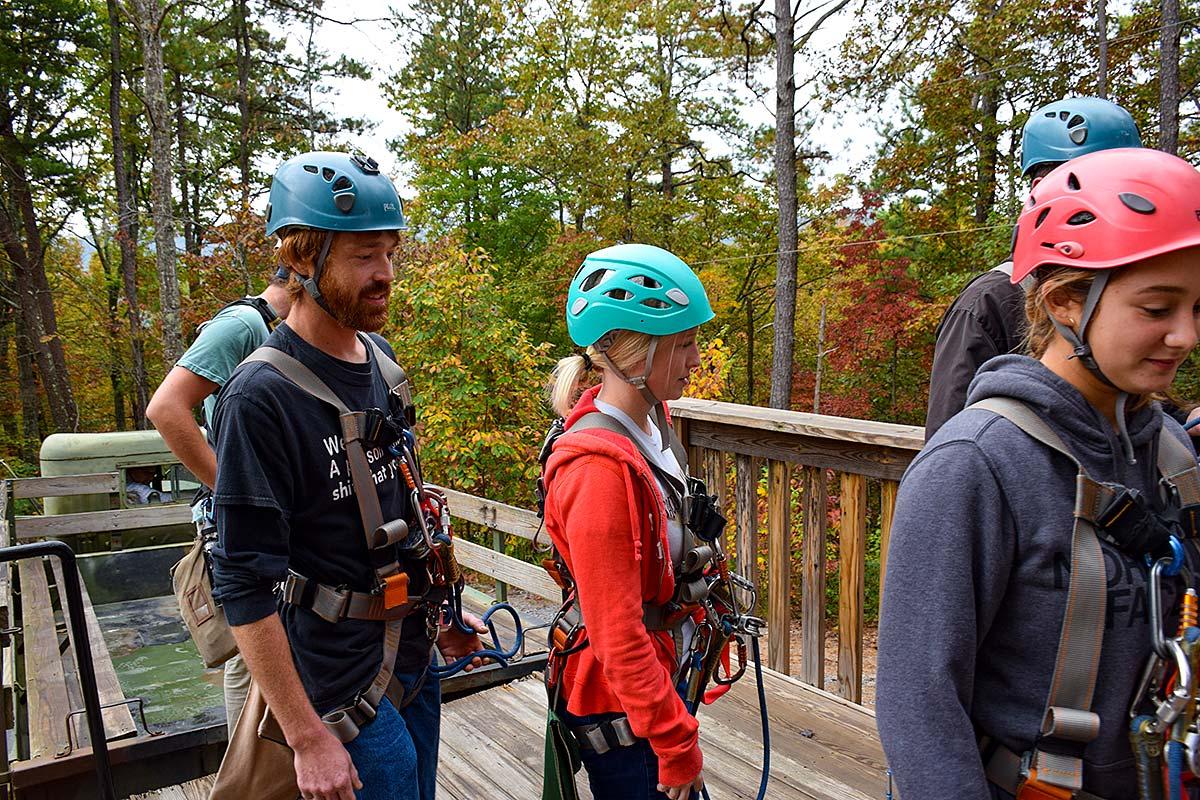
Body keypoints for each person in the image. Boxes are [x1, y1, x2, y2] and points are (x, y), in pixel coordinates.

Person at [877, 147, 1200, 799]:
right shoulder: (976, 465)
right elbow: (920, 706)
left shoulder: (1171, 455)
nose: (1185, 336)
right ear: (1065, 302)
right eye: (1157, 308)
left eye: (1198, 308)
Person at [208, 151, 483, 800]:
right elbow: (241, 581)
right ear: (303, 258)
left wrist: (440, 606)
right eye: (364, 256)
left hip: (412, 653)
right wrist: (305, 736)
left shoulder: (380, 361)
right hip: (336, 684)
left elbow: (400, 503)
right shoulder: (261, 397)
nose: (385, 274)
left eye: (389, 253)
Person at [541, 243, 717, 800]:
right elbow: (617, 635)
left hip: (656, 685)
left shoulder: (652, 423)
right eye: (683, 344)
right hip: (624, 709)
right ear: (635, 354)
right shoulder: (597, 472)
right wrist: (675, 742)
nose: (696, 360)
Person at [925, 97, 1142, 439]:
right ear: (1040, 189)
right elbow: (948, 443)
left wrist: (1180, 420)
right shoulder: (989, 302)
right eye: (1091, 184)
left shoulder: (1134, 290)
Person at [146, 267, 292, 734]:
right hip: (238, 516)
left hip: (269, 514)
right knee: (250, 648)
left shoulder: (270, 329)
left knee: (265, 640)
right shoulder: (243, 324)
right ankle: (244, 764)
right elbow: (165, 408)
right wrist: (232, 492)